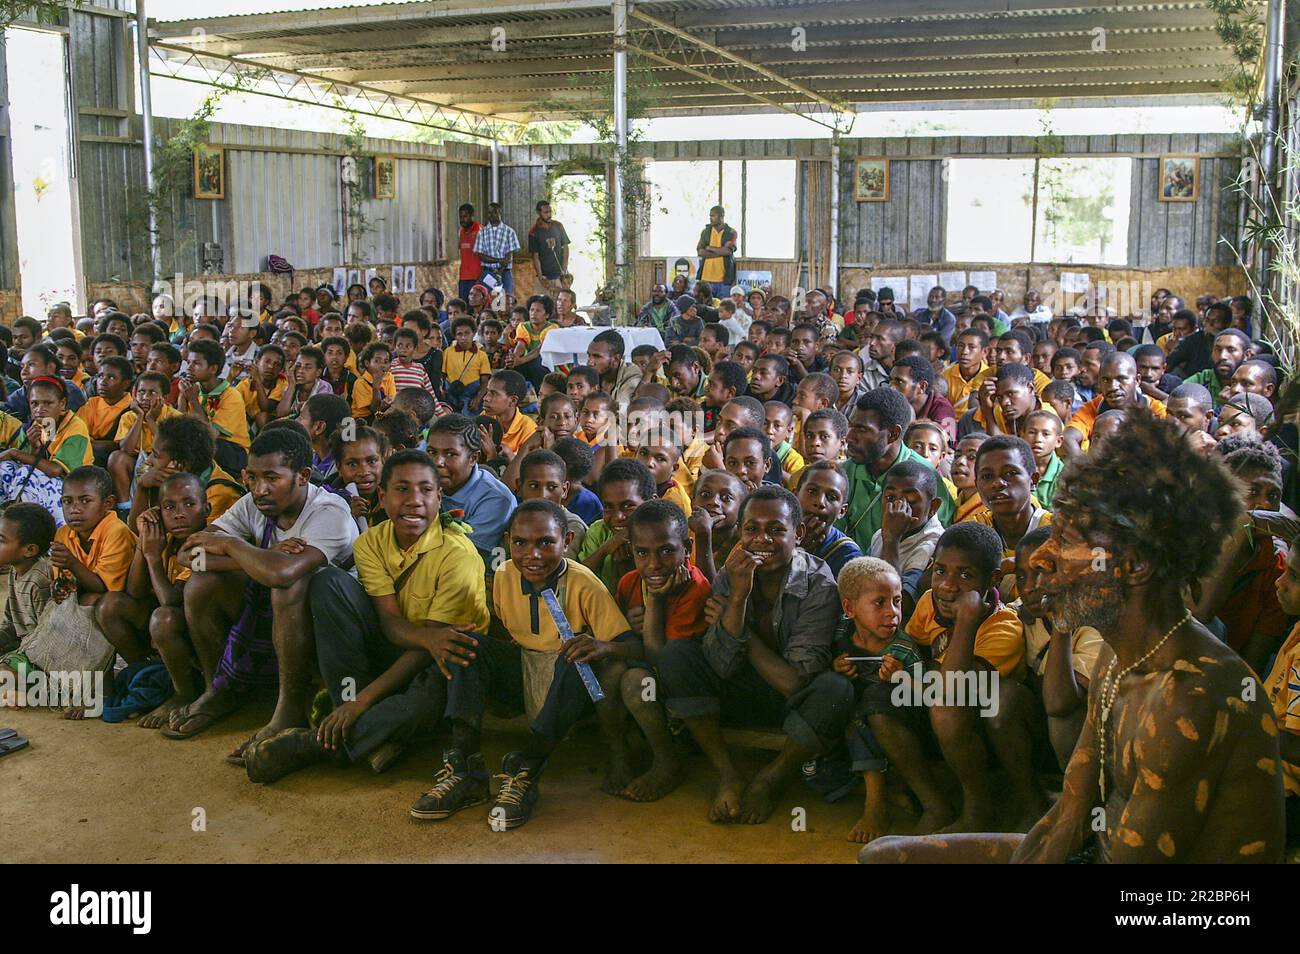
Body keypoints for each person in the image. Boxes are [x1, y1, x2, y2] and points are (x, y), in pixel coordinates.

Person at [865, 413, 1286, 864]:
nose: (1040, 559)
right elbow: (1069, 815)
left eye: (1065, 539)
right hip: (1101, 853)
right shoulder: (1120, 654)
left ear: (1134, 565)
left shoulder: (1192, 697)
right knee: (883, 856)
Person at [244, 451, 493, 787]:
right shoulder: (372, 541)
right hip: (399, 645)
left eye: (425, 490)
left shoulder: (458, 555)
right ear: (381, 495)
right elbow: (390, 624)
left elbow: (431, 650)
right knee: (327, 583)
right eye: (402, 489)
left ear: (439, 497)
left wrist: (363, 703)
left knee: (424, 704)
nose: (414, 501)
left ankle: (322, 742)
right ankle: (355, 715)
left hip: (441, 664)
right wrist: (358, 700)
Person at [612, 499, 712, 801]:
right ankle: (619, 753)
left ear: (687, 547)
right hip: (649, 672)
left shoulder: (695, 587)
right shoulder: (630, 582)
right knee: (611, 670)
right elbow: (621, 637)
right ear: (632, 551)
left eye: (667, 550)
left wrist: (654, 602)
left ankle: (667, 761)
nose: (654, 564)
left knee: (634, 683)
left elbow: (659, 657)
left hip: (684, 687)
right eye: (642, 553)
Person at [100, 472, 209, 728]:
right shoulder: (166, 540)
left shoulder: (205, 544)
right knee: (110, 606)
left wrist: (151, 557)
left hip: (204, 635)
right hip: (173, 630)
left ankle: (184, 692)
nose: (179, 513)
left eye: (189, 504)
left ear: (207, 508)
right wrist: (143, 542)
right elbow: (135, 591)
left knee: (163, 618)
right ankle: (153, 675)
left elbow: (172, 601)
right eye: (169, 507)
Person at [829, 557, 923, 843]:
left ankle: (875, 806)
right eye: (879, 603)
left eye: (897, 601)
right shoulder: (841, 635)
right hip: (852, 725)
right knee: (818, 773)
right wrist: (837, 667)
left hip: (895, 729)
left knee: (863, 717)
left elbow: (924, 695)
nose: (892, 612)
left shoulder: (904, 647)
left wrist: (902, 678)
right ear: (849, 608)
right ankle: (885, 790)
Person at [839, 387, 953, 553]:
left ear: (893, 434)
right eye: (851, 426)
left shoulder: (924, 477)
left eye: (862, 429)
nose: (850, 437)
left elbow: (939, 542)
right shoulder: (847, 471)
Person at [427, 413, 516, 562]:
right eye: (432, 452)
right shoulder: (423, 483)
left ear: (473, 458)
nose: (438, 462)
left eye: (450, 454)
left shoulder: (496, 499)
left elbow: (460, 556)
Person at [869, 459, 943, 614]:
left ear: (933, 507)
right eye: (890, 498)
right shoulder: (879, 535)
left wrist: (892, 539)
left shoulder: (934, 546)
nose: (898, 508)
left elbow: (901, 606)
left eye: (910, 501)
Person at [1063, 351, 1166, 457]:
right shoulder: (1094, 407)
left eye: (1121, 379)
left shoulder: (1155, 410)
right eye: (1106, 380)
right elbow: (1068, 437)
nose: (1113, 387)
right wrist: (1087, 468)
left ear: (1137, 380)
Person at [0, 504, 56, 696]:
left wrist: (13, 657)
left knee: (4, 674)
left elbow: (48, 638)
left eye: (1, 540)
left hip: (42, 658)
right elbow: (11, 623)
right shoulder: (15, 572)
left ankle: (41, 687)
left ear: (29, 550)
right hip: (23, 647)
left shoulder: (40, 580)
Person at [579, 458, 655, 593]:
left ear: (651, 502)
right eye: (608, 507)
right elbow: (578, 579)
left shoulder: (662, 535)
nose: (618, 517)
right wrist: (604, 550)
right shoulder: (598, 531)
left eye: (628, 506)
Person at [180, 339, 250, 474]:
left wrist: (193, 401)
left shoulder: (231, 396)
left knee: (198, 445)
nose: (189, 368)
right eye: (188, 362)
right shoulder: (193, 389)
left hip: (233, 453)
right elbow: (180, 421)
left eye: (196, 363)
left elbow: (210, 435)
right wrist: (183, 397)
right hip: (204, 444)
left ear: (213, 369)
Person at [796, 460, 861, 575]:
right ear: (795, 495)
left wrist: (801, 554)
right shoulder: (777, 534)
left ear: (842, 511)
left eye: (832, 497)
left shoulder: (848, 556)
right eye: (812, 491)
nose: (820, 502)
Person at [890, 355, 956, 444]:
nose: (891, 387)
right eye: (890, 380)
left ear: (921, 387)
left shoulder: (943, 409)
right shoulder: (891, 403)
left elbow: (945, 448)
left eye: (899, 382)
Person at [1182, 328, 1250, 408]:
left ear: (1246, 355)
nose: (1222, 356)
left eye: (1231, 350)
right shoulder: (1203, 379)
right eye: (1218, 350)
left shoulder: (1252, 384)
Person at [586, 329, 643, 412]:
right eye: (589, 355)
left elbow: (621, 409)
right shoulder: (590, 374)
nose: (590, 362)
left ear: (615, 359)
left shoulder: (631, 374)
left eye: (597, 356)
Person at [473, 201, 519, 294]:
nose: (491, 215)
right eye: (489, 212)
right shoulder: (482, 233)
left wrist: (499, 273)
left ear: (500, 212)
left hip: (504, 272)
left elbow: (508, 259)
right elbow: (481, 256)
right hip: (488, 274)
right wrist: (499, 260)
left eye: (494, 212)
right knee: (489, 301)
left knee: (503, 301)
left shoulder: (509, 232)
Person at [527, 200, 570, 293]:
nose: (549, 214)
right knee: (542, 304)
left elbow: (566, 248)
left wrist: (564, 270)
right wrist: (540, 276)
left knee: (560, 304)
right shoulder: (533, 232)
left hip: (559, 276)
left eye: (550, 211)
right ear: (538, 213)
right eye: (546, 212)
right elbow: (535, 256)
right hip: (544, 277)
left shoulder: (558, 226)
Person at [696, 205, 738, 301]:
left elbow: (728, 251)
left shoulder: (731, 232)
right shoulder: (705, 232)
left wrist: (709, 247)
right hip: (706, 279)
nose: (710, 218)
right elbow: (700, 252)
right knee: (705, 308)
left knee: (725, 310)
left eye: (713, 216)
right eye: (710, 216)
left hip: (724, 280)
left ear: (721, 216)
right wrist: (720, 252)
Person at [456, 203, 482, 301]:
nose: (462, 220)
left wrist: (481, 276)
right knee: (463, 305)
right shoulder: (461, 232)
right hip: (463, 277)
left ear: (472, 216)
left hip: (476, 277)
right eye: (460, 217)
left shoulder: (480, 231)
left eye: (465, 216)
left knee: (475, 305)